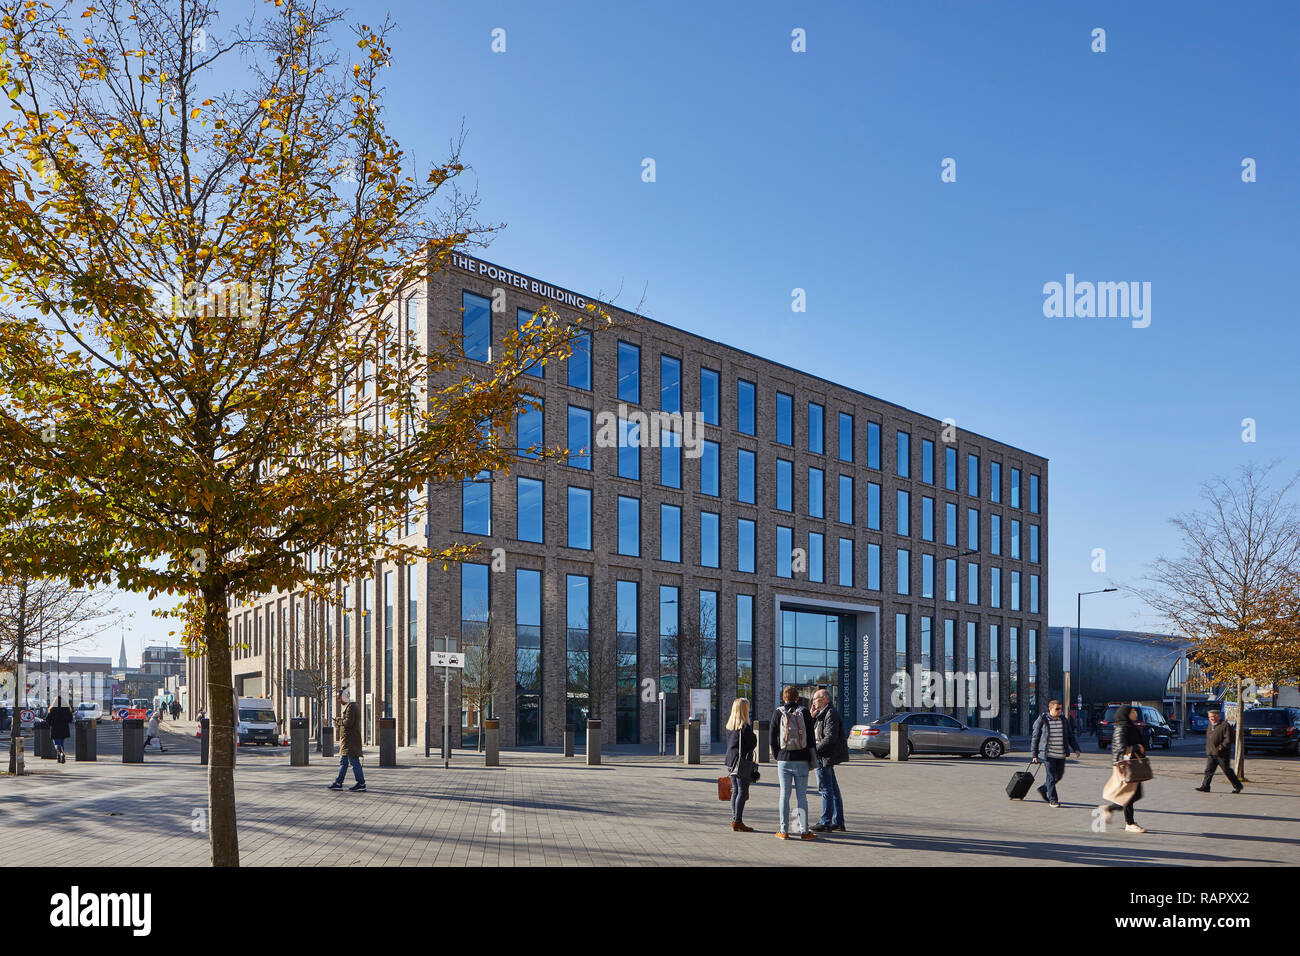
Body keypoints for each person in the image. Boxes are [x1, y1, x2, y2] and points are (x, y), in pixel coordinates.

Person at [768, 686, 817, 841]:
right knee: (802, 797)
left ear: (784, 698)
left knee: (784, 795)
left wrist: (778, 756)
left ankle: (783, 830)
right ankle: (804, 831)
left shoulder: (778, 712)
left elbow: (772, 738)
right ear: (797, 698)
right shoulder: (805, 712)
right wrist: (811, 759)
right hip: (802, 759)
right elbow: (811, 739)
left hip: (784, 759)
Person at [1098, 704, 1146, 833]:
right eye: (1133, 711)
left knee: (1136, 794)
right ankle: (1129, 823)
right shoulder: (1122, 728)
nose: (1135, 713)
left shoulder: (1130, 726)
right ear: (1127, 713)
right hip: (1125, 765)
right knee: (1130, 794)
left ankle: (1110, 809)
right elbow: (1120, 748)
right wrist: (1137, 747)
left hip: (1133, 764)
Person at [1030, 698, 1082, 807]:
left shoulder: (1063, 720)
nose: (1059, 711)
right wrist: (1034, 755)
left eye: (1061, 709)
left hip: (1061, 754)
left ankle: (1043, 789)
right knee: (1051, 777)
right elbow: (1035, 737)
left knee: (1059, 776)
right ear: (1050, 709)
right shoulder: (1042, 719)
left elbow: (1070, 736)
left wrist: (1076, 748)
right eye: (1057, 709)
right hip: (1048, 754)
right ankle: (1053, 800)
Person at [810, 688, 849, 832]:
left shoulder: (830, 714)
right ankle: (838, 821)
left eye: (816, 699)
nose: (813, 702)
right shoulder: (822, 714)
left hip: (823, 756)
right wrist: (812, 716)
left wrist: (814, 752)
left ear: (825, 699)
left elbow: (829, 738)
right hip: (823, 756)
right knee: (833, 789)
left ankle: (826, 822)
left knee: (825, 789)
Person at [724, 698, 758, 832]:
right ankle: (737, 821)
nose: (749, 709)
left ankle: (735, 819)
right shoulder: (744, 727)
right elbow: (752, 744)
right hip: (741, 762)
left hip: (731, 761)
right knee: (742, 791)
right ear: (744, 709)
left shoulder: (731, 725)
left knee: (735, 790)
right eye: (748, 707)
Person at [1196, 708, 1243, 794]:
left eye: (1213, 716)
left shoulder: (1225, 725)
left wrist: (1221, 747)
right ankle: (1205, 786)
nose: (1211, 718)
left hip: (1222, 753)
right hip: (1211, 752)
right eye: (1210, 717)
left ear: (1218, 716)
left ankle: (1238, 786)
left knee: (1227, 770)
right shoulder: (1211, 725)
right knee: (1208, 771)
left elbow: (1229, 739)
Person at [329, 689, 365, 791]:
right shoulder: (350, 706)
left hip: (350, 741)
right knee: (343, 762)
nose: (339, 701)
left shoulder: (351, 707)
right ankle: (339, 782)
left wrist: (338, 720)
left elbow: (349, 722)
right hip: (347, 740)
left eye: (340, 698)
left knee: (353, 762)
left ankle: (361, 783)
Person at [47, 697, 74, 764]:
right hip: (64, 729)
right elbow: (70, 719)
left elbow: (48, 719)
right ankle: (60, 757)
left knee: (56, 744)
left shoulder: (52, 709)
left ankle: (61, 753)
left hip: (55, 728)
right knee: (61, 743)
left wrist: (51, 723)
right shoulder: (66, 709)